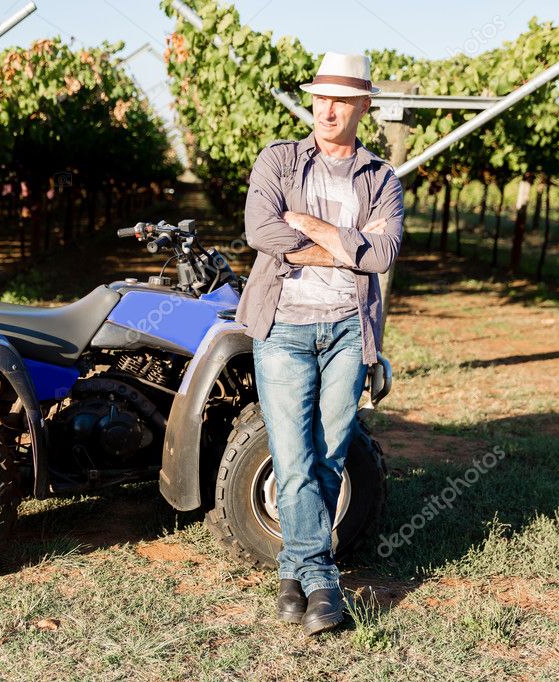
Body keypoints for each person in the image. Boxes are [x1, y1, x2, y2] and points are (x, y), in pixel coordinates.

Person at [234, 52, 404, 636]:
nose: (328, 109)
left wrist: (311, 225)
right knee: (293, 457)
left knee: (331, 454)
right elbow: (262, 232)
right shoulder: (279, 159)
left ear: (363, 107)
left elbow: (383, 257)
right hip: (283, 325)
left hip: (347, 333)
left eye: (342, 100)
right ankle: (323, 582)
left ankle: (294, 572)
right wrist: (348, 244)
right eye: (320, 98)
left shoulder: (381, 177)